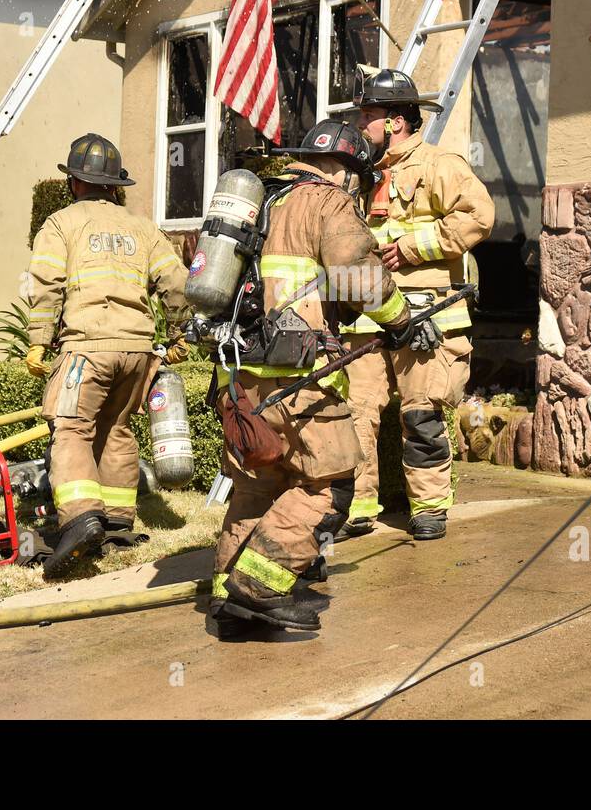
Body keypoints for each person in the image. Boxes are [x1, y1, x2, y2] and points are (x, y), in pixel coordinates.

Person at [208, 120, 413, 638]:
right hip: (298, 377)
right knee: (330, 485)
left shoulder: (261, 200)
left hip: (237, 376)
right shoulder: (328, 202)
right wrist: (400, 317)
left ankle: (229, 595)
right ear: (347, 172)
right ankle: (259, 587)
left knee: (259, 482)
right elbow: (356, 270)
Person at [26, 133, 191, 580]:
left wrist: (39, 341)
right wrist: (179, 335)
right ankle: (118, 521)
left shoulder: (61, 224)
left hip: (87, 348)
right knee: (116, 426)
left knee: (72, 428)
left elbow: (46, 287)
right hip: (137, 351)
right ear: (114, 185)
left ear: (75, 181)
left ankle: (81, 518)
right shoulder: (143, 227)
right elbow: (176, 285)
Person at [340, 67, 494, 542]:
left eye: (369, 115)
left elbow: (480, 216)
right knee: (355, 413)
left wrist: (411, 246)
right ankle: (356, 509)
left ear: (396, 122)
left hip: (426, 317)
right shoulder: (358, 177)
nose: (360, 123)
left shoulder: (439, 165)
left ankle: (428, 508)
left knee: (421, 414)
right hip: (367, 318)